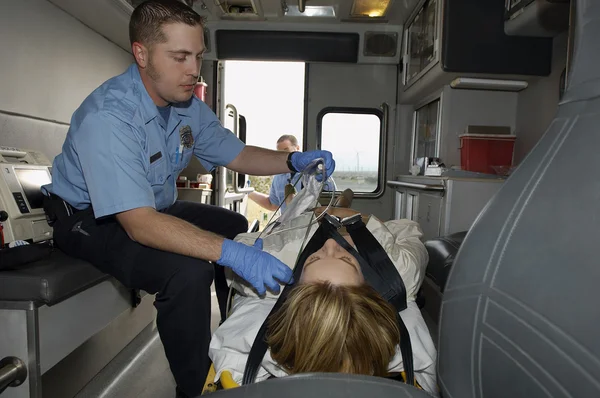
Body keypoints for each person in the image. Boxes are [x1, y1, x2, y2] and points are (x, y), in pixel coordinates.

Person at [40, 1, 335, 397]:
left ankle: (235, 333)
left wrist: (293, 161)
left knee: (232, 224)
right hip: (87, 220)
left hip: (149, 205)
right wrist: (232, 254)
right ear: (142, 54)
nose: (193, 69)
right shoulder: (110, 118)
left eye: (197, 55)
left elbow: (239, 154)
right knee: (189, 272)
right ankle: (196, 386)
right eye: (179, 57)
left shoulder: (187, 108)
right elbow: (139, 223)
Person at [209, 205, 438, 395]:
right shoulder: (400, 271)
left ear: (293, 290)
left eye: (313, 259)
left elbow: (241, 243)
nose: (330, 245)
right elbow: (408, 229)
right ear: (370, 288)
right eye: (347, 260)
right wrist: (359, 219)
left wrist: (310, 216)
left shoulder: (274, 270)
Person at [248, 134, 301, 213]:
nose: (283, 155)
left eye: (286, 150)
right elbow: (272, 205)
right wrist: (248, 192)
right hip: (287, 224)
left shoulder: (313, 173)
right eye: (279, 153)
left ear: (297, 148)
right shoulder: (278, 177)